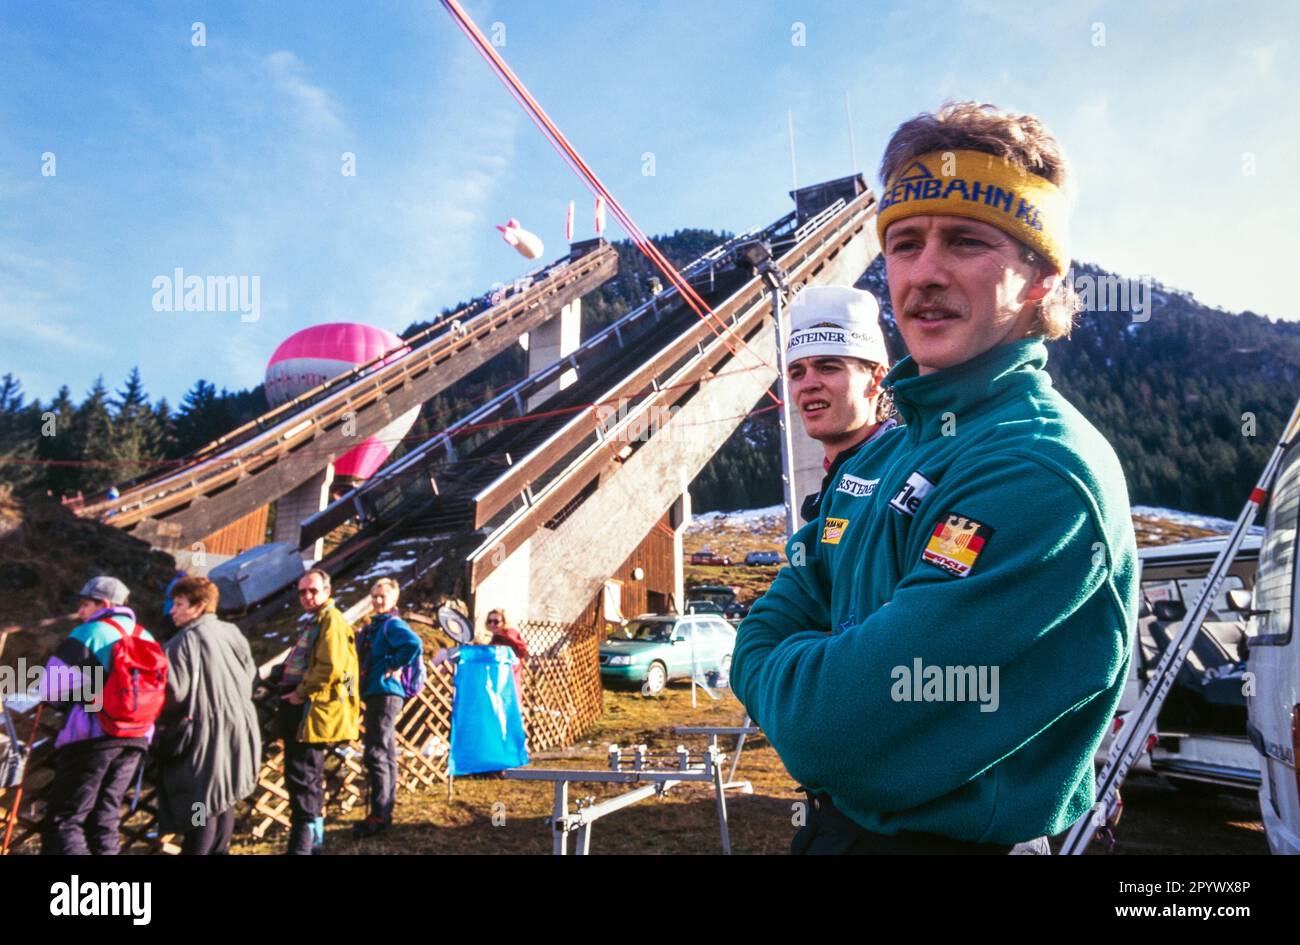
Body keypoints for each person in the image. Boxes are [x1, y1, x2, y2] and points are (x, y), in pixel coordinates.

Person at [733, 101, 1139, 854]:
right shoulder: (887, 456)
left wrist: (790, 678)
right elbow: (781, 608)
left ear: (1039, 275)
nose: (924, 274)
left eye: (966, 240)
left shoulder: (1038, 469)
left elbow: (836, 729)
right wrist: (805, 666)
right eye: (904, 243)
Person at [39, 576, 161, 855]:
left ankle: (79, 895)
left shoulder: (90, 633)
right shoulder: (145, 636)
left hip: (93, 736)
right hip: (137, 736)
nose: (80, 613)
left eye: (84, 605)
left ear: (104, 604)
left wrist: (76, 702)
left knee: (66, 820)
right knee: (104, 819)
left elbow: (52, 688)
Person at [155, 576, 261, 855]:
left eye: (179, 604)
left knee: (200, 809)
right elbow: (251, 675)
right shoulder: (232, 632)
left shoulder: (181, 643)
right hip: (239, 730)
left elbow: (174, 694)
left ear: (199, 606)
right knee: (224, 800)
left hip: (204, 736)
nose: (172, 611)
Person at [784, 284, 897, 523]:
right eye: (797, 373)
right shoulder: (832, 492)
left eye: (827, 368)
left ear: (877, 378)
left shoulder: (902, 477)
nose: (808, 384)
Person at [277, 568, 360, 855]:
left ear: (327, 591)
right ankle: (314, 845)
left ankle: (303, 848)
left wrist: (301, 694)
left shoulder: (331, 621)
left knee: (303, 779)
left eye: (313, 590)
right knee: (306, 778)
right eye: (302, 591)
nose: (307, 596)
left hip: (311, 712)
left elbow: (332, 667)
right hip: (308, 711)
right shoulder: (318, 620)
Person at [352, 577, 422, 839]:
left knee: (376, 752)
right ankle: (384, 811)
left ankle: (378, 814)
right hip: (378, 693)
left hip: (385, 693)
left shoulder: (393, 624)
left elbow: (413, 644)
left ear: (394, 600)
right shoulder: (376, 627)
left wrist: (393, 664)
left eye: (383, 596)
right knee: (386, 751)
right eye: (374, 596)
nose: (377, 601)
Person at [485, 608, 528, 692]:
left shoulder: (510, 633)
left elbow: (523, 649)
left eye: (496, 621)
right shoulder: (495, 638)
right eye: (489, 621)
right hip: (499, 675)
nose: (492, 624)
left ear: (504, 622)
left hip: (510, 674)